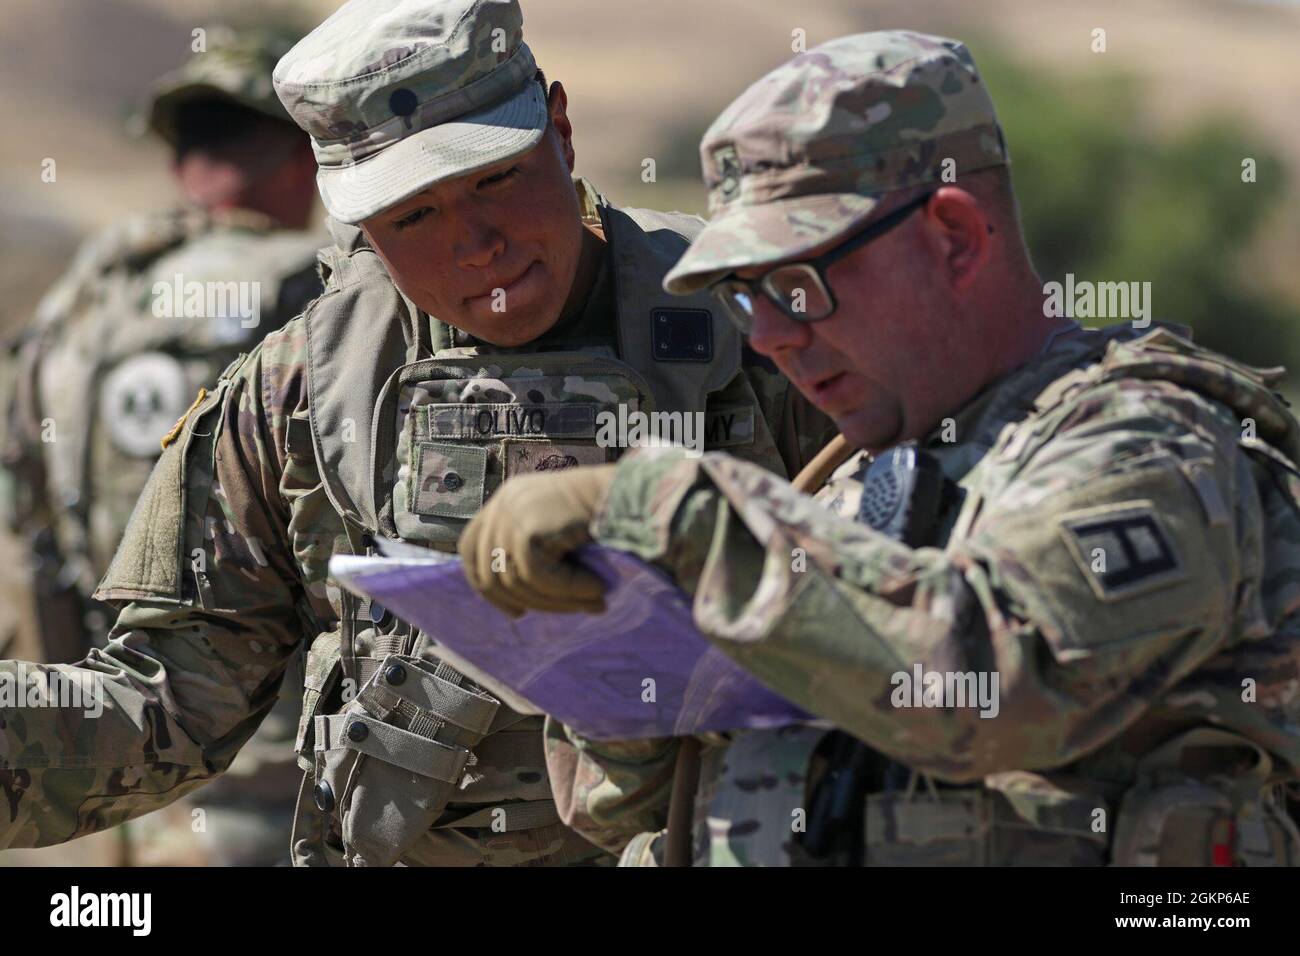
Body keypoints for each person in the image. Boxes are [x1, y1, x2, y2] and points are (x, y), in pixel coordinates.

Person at [0, 0, 834, 867]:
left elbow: (929, 621)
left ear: (559, 129)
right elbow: (170, 703)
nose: (476, 245)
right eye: (413, 216)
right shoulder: (301, 387)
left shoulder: (759, 329)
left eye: (497, 178)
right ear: (361, 227)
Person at [459, 30, 1300, 866]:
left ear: (956, 237)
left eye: (798, 285)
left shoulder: (1153, 447)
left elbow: (984, 689)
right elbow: (629, 812)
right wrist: (616, 644)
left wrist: (667, 511)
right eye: (747, 298)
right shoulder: (859, 487)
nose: (774, 340)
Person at [0, 26, 324, 866]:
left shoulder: (83, 302)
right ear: (304, 155)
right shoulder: (312, 293)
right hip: (270, 757)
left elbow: (22, 511)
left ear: (184, 163)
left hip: (111, 741)